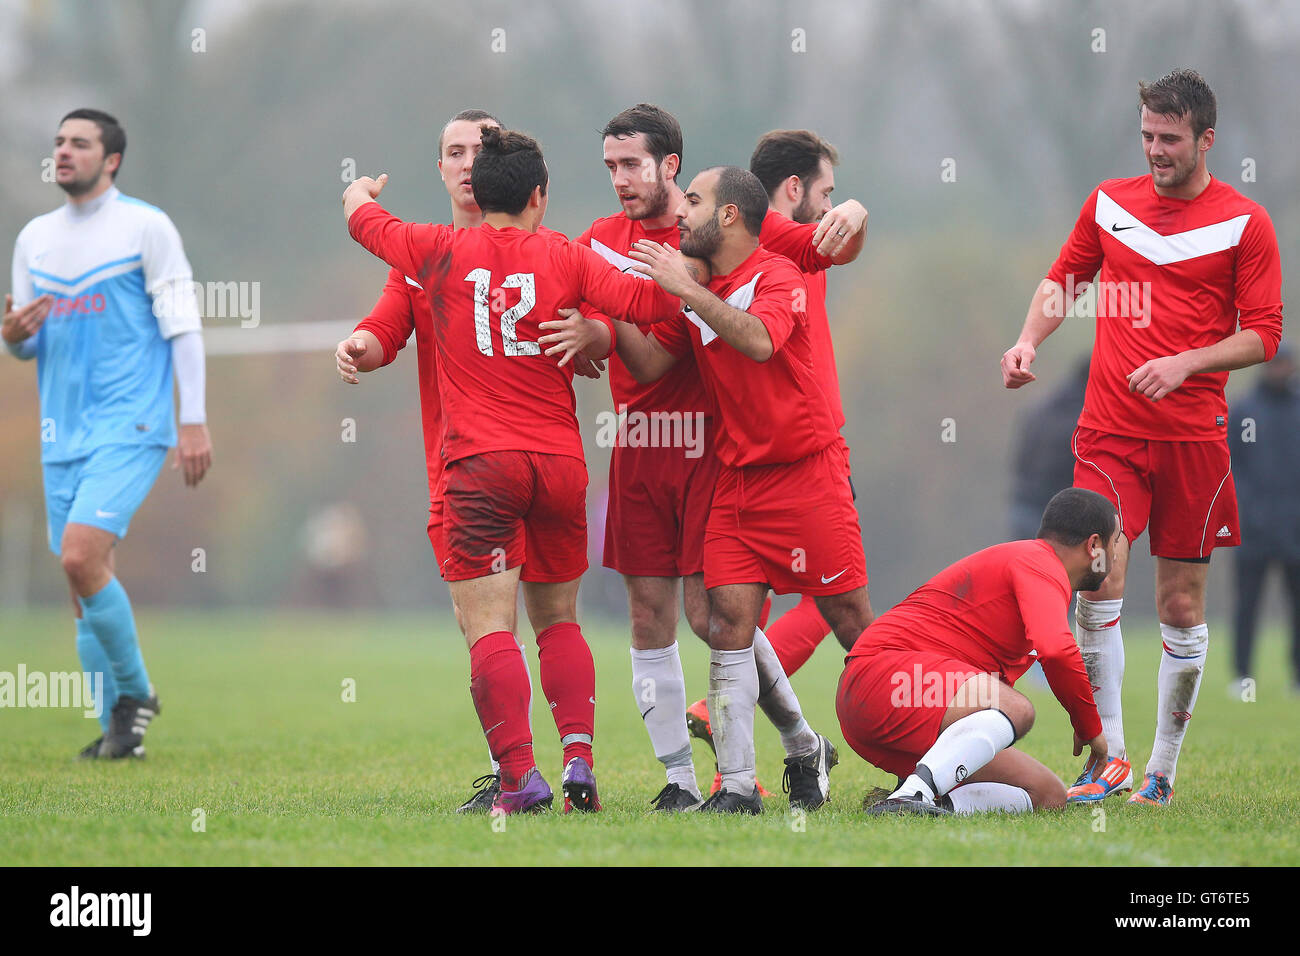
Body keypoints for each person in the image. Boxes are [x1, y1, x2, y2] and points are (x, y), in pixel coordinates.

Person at [340, 127, 683, 814]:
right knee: (560, 621)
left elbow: (367, 225)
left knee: (492, 627)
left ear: (481, 191)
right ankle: (580, 763)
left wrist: (356, 192)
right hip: (559, 465)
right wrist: (672, 272)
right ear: (539, 196)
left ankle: (522, 778)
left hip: (481, 464)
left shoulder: (438, 249)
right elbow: (653, 305)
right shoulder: (568, 256)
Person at [1001, 69, 1284, 806]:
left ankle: (1159, 773)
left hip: (1194, 439)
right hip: (1109, 433)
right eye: (1148, 137)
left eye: (1170, 139)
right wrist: (1028, 340)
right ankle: (1111, 758)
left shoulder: (1245, 223)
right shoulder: (1108, 203)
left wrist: (1187, 361)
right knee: (1097, 584)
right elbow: (1063, 280)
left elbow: (1264, 335)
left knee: (1183, 607)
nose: (1156, 151)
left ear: (1205, 140)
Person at [610, 166, 873, 813]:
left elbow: (759, 339)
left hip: (807, 474)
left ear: (728, 216)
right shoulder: (699, 284)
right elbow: (649, 357)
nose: (680, 214)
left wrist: (685, 291)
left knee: (854, 626)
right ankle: (735, 789)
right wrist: (595, 305)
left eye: (692, 201)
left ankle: (928, 763)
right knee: (726, 623)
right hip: (736, 480)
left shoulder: (778, 275)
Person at [4, 108, 212, 759]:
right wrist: (12, 337)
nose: (64, 152)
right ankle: (120, 734)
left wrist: (194, 417)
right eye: (60, 142)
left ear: (111, 158)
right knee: (81, 581)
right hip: (59, 433)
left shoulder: (146, 228)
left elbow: (184, 327)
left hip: (133, 424)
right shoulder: (34, 238)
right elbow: (26, 343)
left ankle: (137, 691)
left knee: (78, 555)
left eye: (80, 143)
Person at [839, 488, 1117, 816]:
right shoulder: (1040, 562)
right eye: (1116, 543)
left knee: (1047, 795)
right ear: (1094, 545)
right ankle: (914, 793)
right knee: (1016, 708)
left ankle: (923, 803)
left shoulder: (1031, 564)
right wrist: (1091, 730)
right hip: (883, 679)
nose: (1116, 555)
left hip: (893, 697)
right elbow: (1055, 651)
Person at [1228, 345, 1300, 692]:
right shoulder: (1246, 412)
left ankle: (1297, 677)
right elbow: (1233, 467)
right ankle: (1243, 677)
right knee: (1247, 607)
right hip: (1252, 530)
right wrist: (1247, 512)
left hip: (1295, 529)